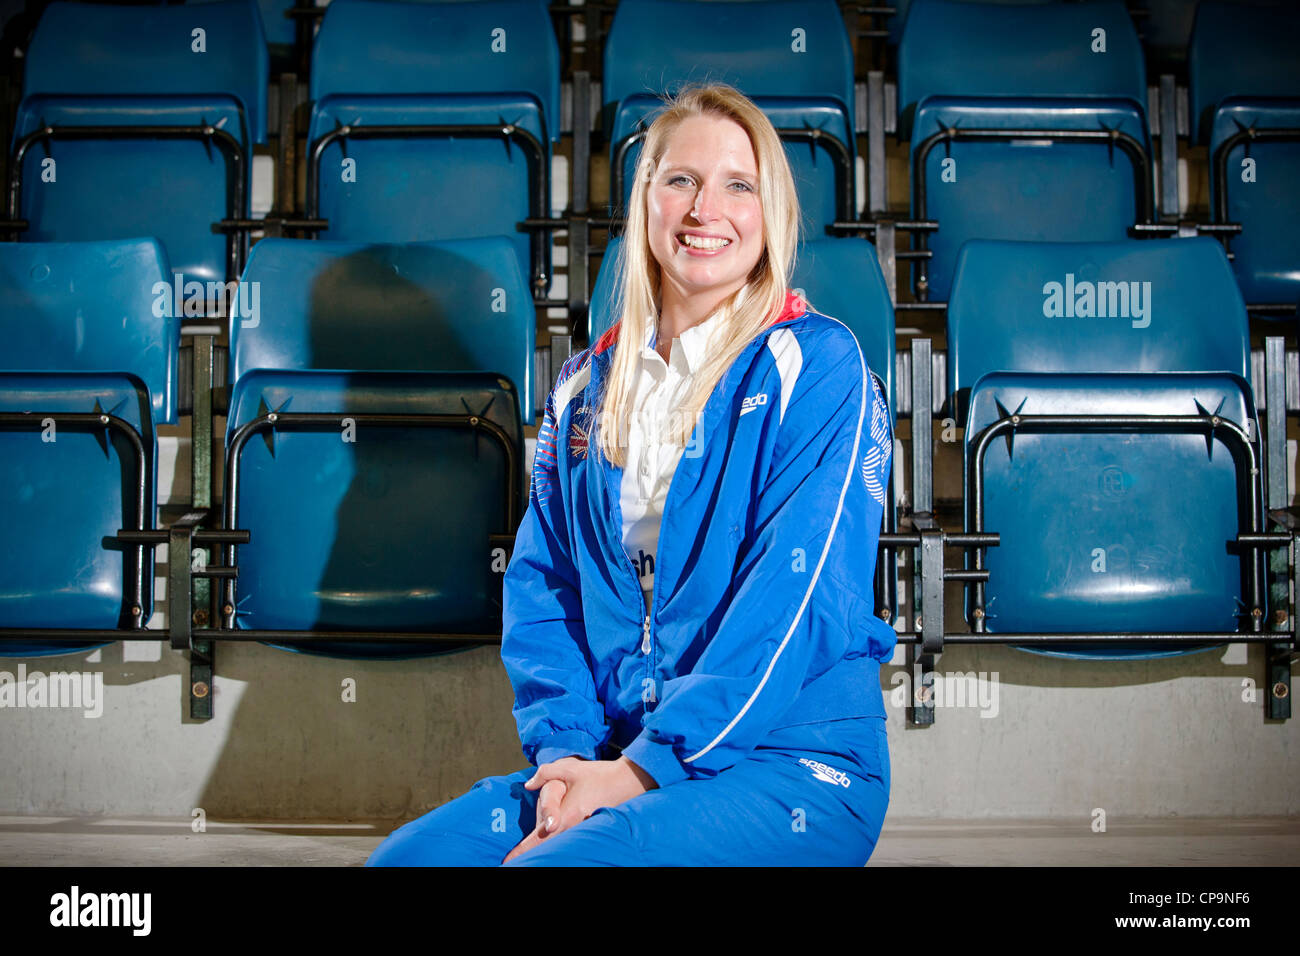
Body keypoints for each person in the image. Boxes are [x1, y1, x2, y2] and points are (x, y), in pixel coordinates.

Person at [367, 83, 896, 867]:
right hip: (613, 755)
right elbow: (543, 586)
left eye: (737, 185)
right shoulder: (584, 387)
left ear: (771, 213)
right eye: (680, 179)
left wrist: (644, 772)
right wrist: (567, 760)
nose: (704, 209)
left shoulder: (819, 365)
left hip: (789, 765)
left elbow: (798, 603)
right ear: (645, 201)